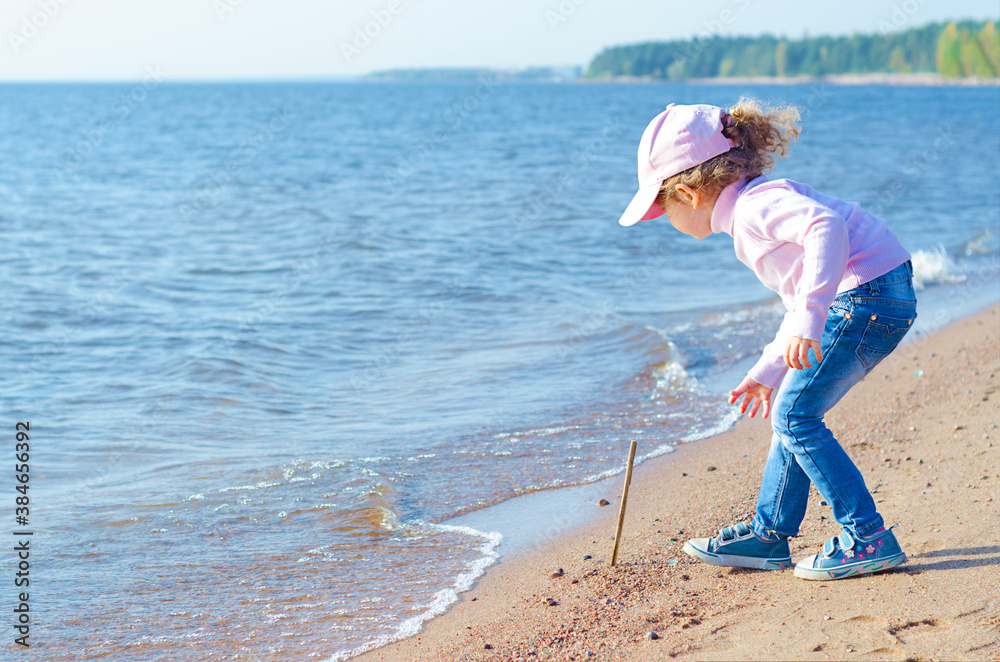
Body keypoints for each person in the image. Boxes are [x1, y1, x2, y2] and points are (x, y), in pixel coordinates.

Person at [617, 99, 916, 580]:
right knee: (795, 414)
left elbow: (827, 227)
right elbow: (801, 298)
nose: (662, 218)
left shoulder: (756, 207)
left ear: (690, 195)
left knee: (795, 416)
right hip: (882, 293)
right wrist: (767, 371)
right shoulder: (756, 207)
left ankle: (868, 537)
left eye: (661, 204)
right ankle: (769, 535)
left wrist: (813, 319)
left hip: (865, 294)